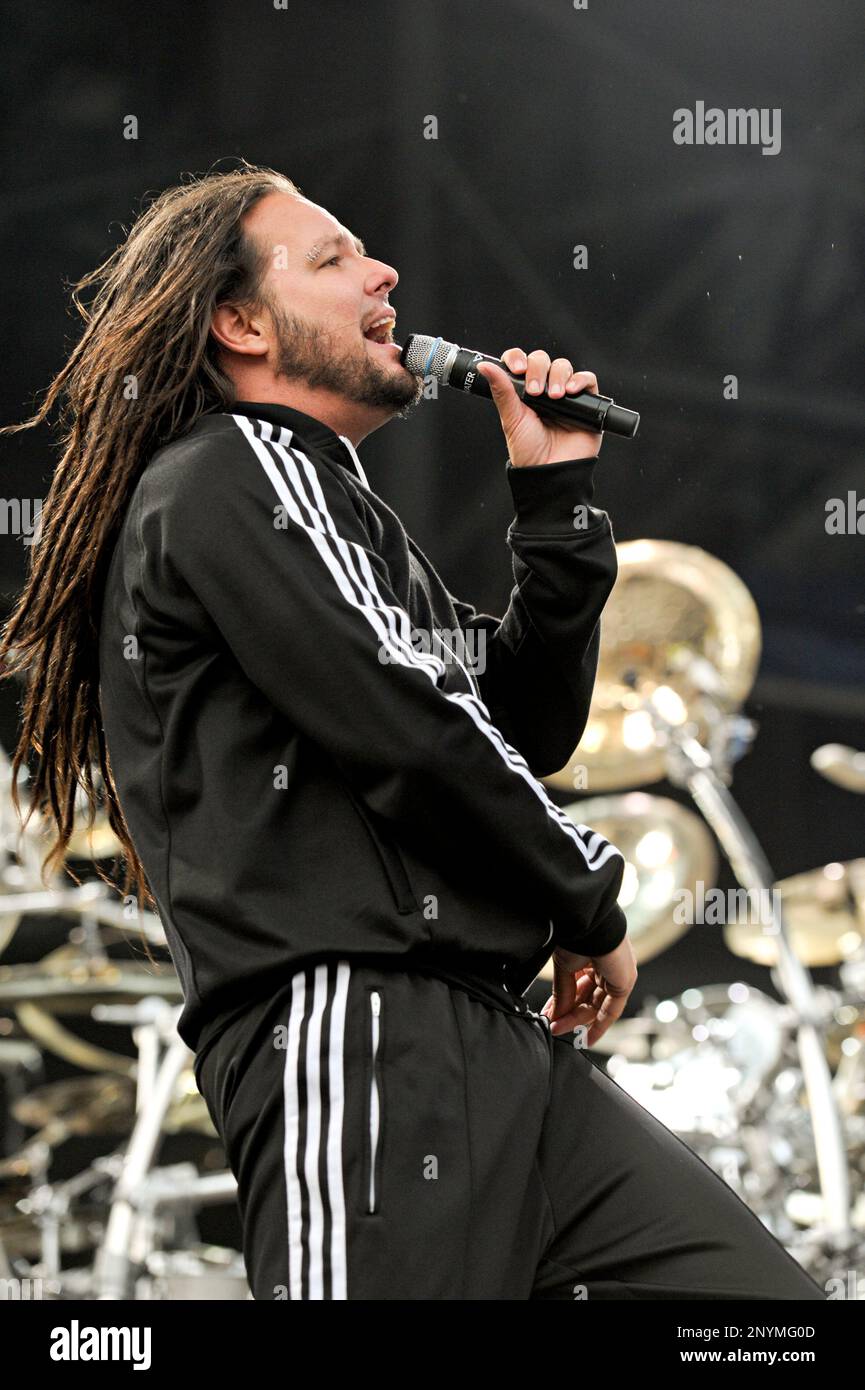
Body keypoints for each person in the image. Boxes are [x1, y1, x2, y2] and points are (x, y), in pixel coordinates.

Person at [0, 162, 826, 1301]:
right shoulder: (232, 476)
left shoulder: (338, 515)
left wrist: (552, 501)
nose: (384, 268)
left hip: (488, 1036)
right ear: (241, 322)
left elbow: (515, 730)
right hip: (359, 1027)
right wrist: (585, 893)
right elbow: (410, 722)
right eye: (333, 257)